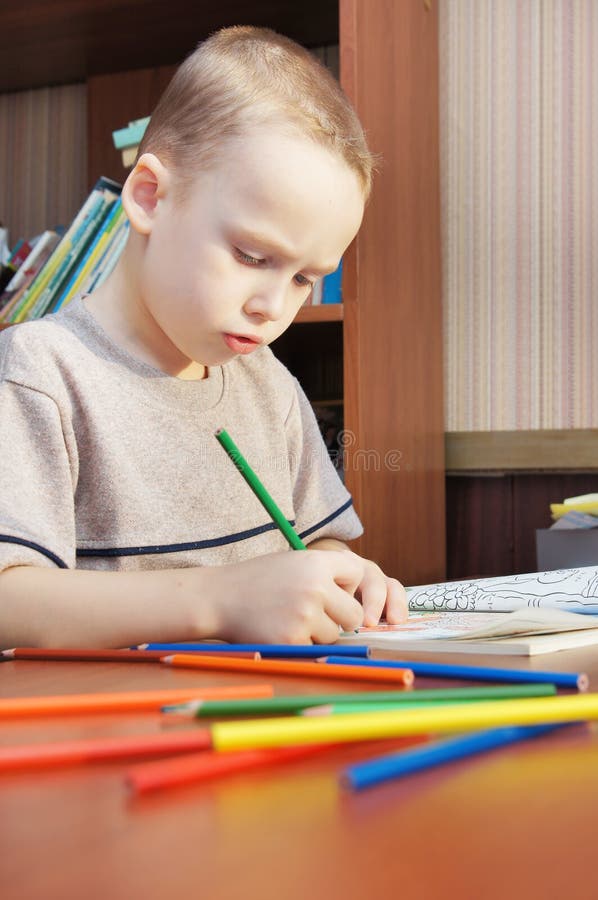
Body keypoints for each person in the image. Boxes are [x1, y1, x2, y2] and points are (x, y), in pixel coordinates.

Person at [0, 26, 408, 648]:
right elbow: (8, 599)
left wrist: (347, 578)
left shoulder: (268, 385)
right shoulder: (41, 373)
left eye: (304, 278)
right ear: (150, 197)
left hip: (267, 704)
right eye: (251, 256)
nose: (272, 306)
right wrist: (221, 601)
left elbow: (320, 542)